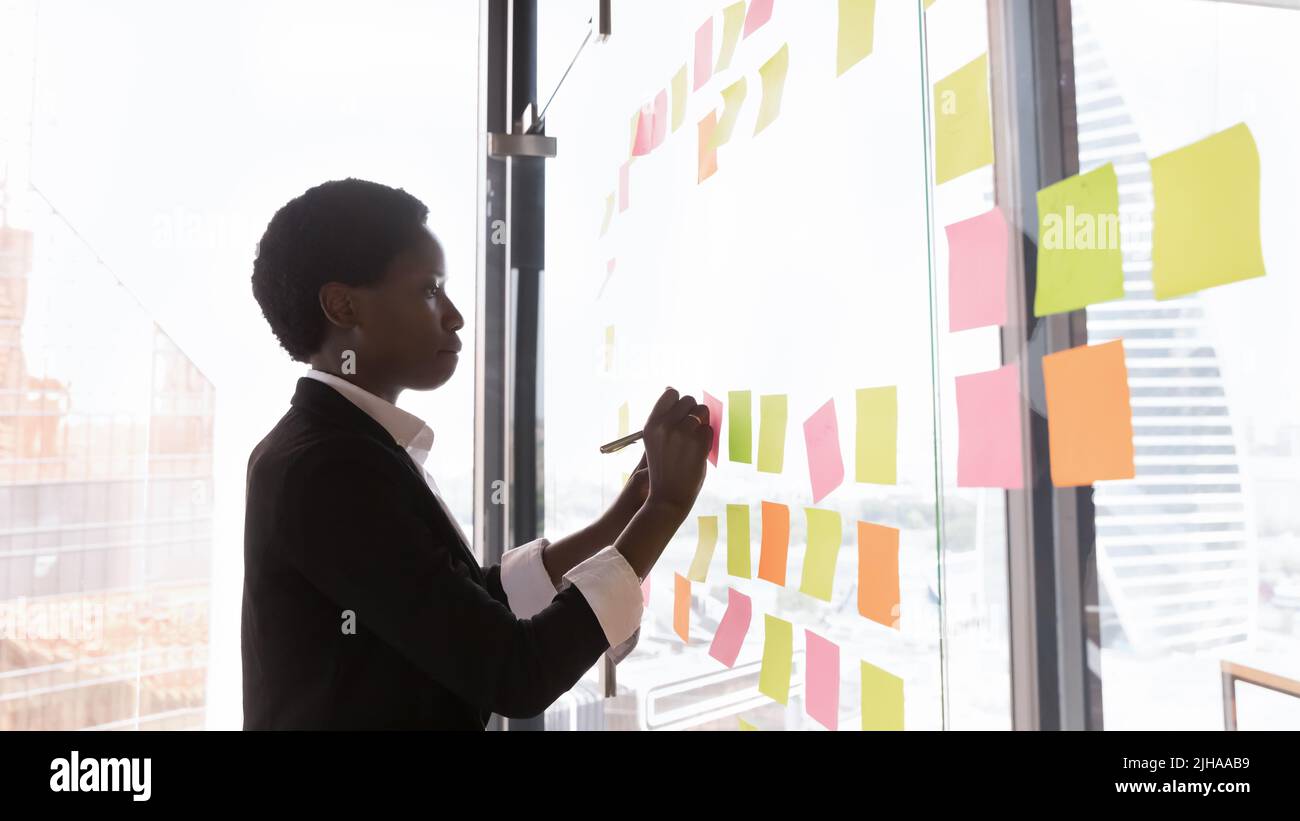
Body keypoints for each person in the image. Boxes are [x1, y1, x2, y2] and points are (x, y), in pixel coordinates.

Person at [242, 177, 711, 729]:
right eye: (429, 291)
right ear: (343, 306)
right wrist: (663, 512)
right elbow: (515, 671)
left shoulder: (326, 445)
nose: (454, 316)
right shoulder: (328, 468)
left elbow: (469, 605)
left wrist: (633, 506)